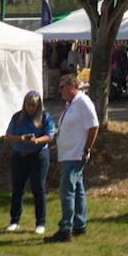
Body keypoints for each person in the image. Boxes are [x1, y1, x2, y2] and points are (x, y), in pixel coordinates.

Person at [47, 73, 98, 243]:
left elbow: (93, 126)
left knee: (66, 191)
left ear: (71, 86)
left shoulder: (83, 102)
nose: (59, 90)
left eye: (62, 87)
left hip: (75, 154)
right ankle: (79, 223)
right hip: (68, 154)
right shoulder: (71, 104)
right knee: (77, 189)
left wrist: (87, 148)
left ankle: (65, 229)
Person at [3, 91, 55, 234]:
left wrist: (36, 140)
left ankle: (40, 223)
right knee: (17, 188)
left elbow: (50, 136)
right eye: (28, 104)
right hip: (19, 155)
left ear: (38, 105)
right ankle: (14, 220)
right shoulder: (17, 117)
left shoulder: (45, 117)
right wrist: (20, 139)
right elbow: (8, 136)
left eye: (34, 105)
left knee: (38, 188)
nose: (31, 108)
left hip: (38, 156)